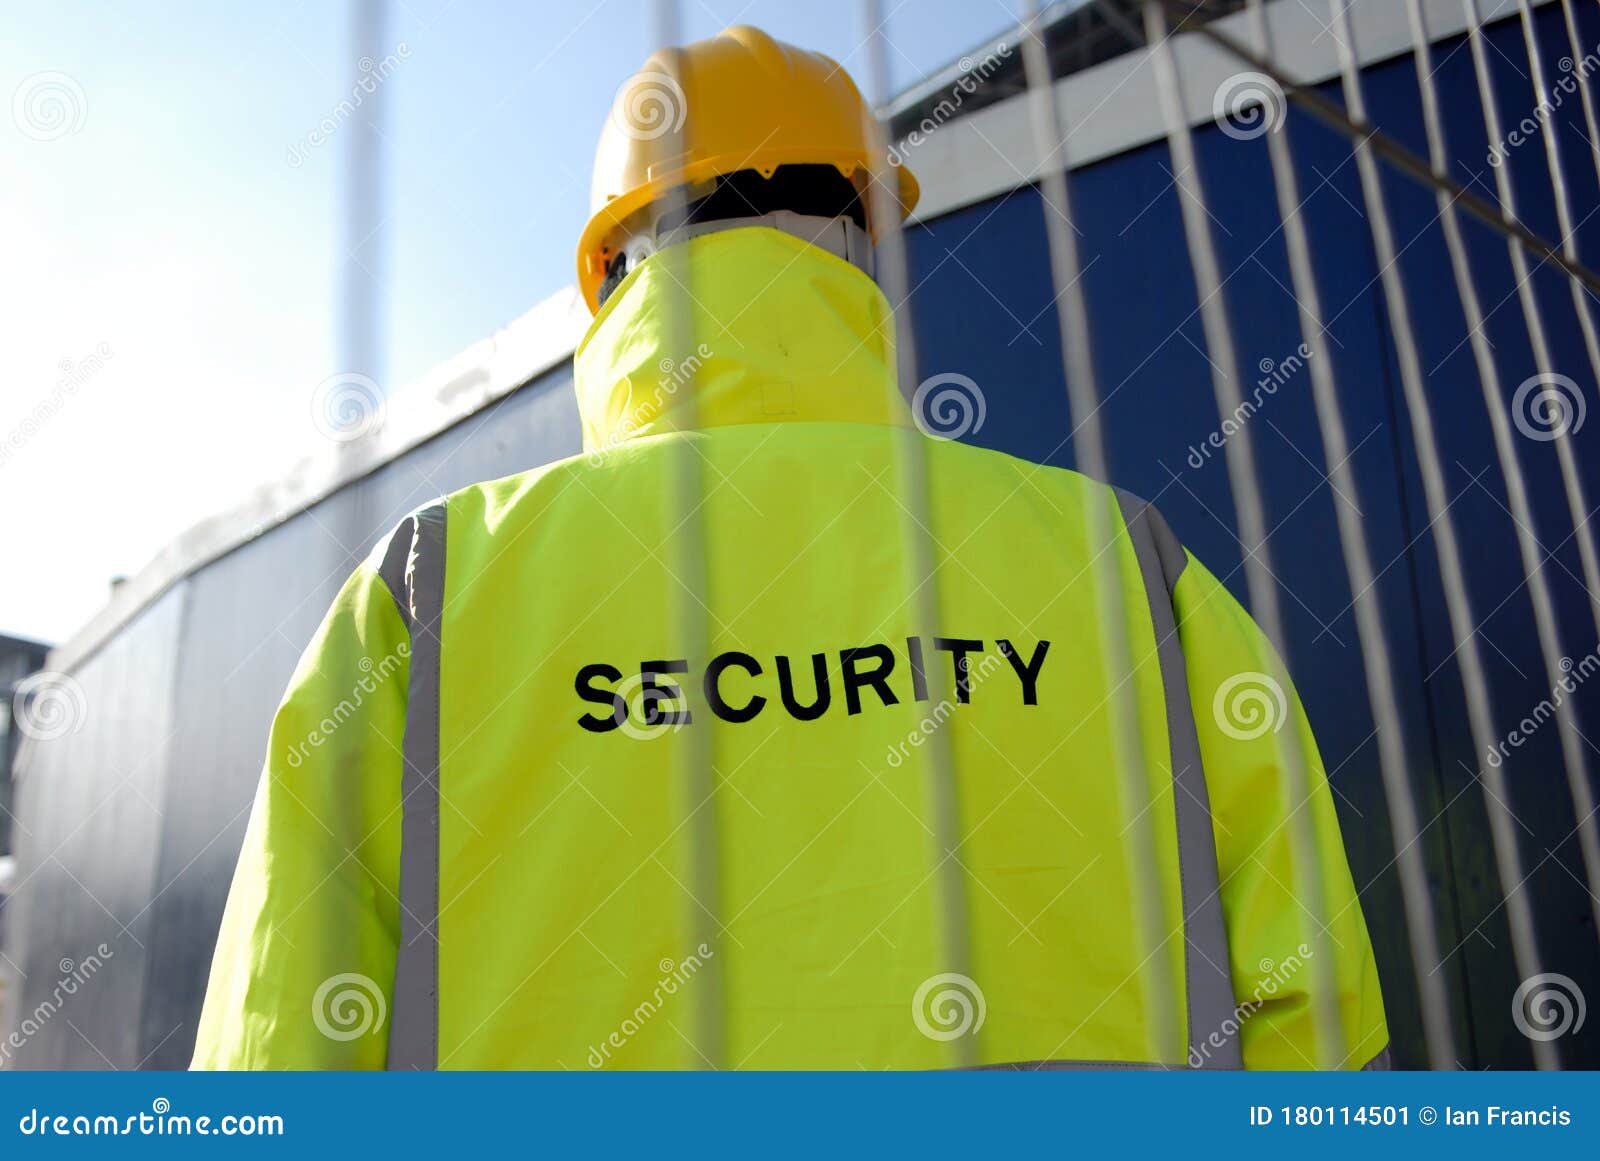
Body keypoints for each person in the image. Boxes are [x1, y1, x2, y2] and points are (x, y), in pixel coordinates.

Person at [192, 25, 1387, 1070]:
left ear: (609, 277)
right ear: (871, 245)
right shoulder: (1119, 564)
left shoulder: (425, 592)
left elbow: (271, 1054)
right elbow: (1316, 1025)